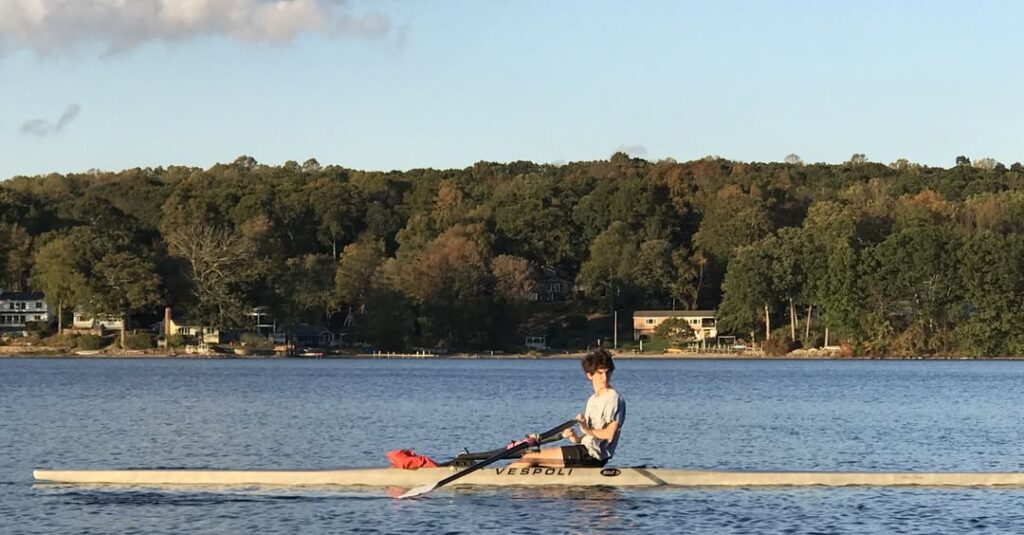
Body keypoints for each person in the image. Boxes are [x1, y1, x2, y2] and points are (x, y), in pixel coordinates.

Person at [511, 348, 625, 468]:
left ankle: (500, 483)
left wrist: (585, 429)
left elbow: (609, 435)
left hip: (592, 456)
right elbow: (593, 436)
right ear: (590, 375)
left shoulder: (613, 398)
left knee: (531, 457)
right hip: (584, 450)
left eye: (608, 373)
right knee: (534, 461)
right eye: (600, 373)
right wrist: (576, 438)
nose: (605, 378)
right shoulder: (593, 399)